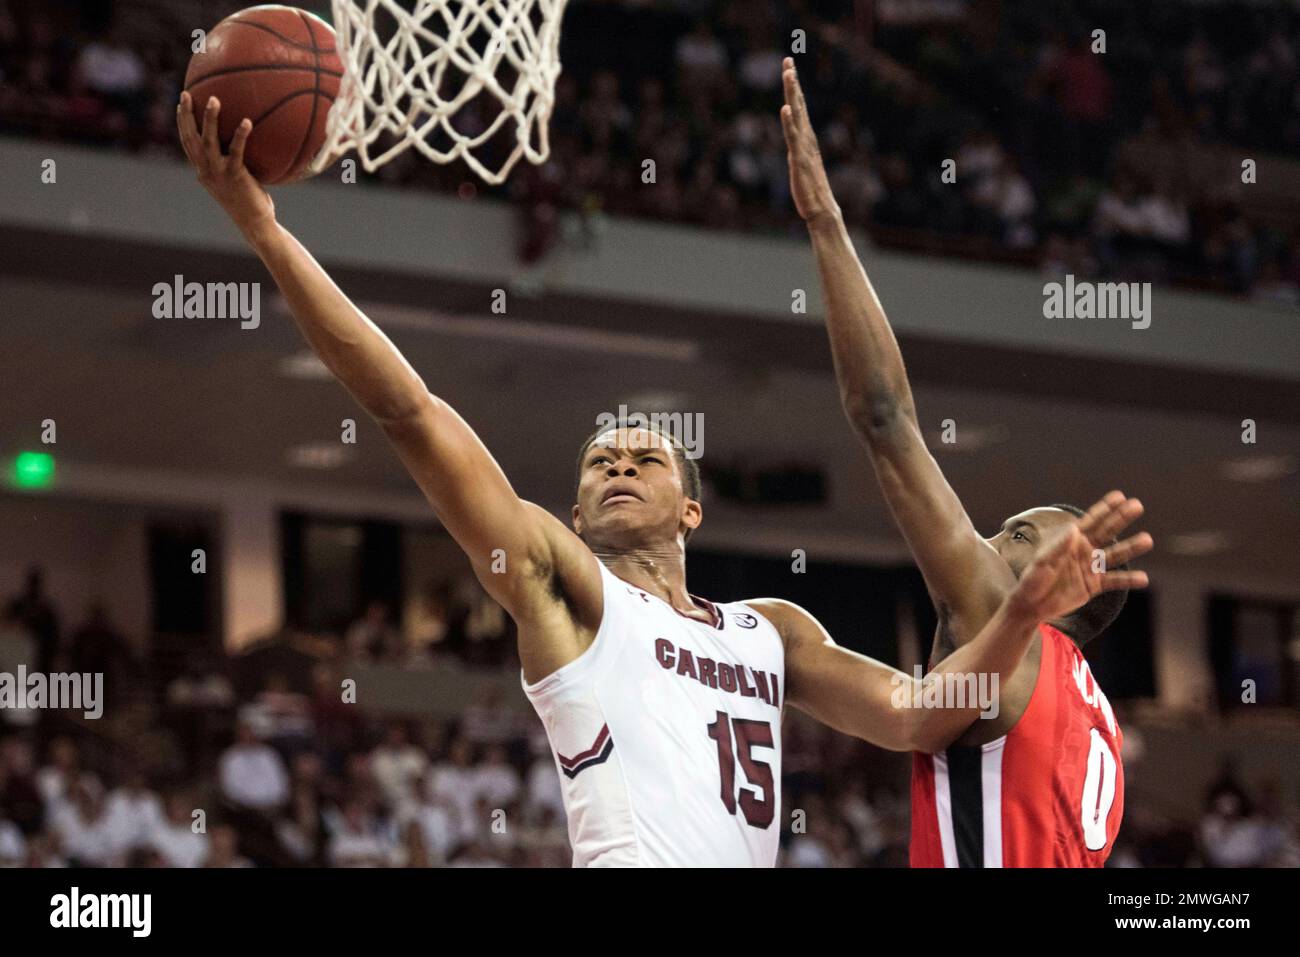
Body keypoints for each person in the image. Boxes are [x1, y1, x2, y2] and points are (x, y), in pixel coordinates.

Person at [176, 92, 1150, 867]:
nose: (619, 465)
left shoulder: (772, 631)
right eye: (600, 462)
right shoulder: (567, 587)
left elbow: (916, 718)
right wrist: (265, 231)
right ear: (572, 510)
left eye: (645, 457)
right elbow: (411, 412)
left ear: (691, 507)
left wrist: (1016, 616)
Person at [779, 58, 1154, 867]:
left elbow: (885, 419)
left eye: (1019, 537)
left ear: (1060, 597)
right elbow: (899, 707)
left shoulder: (1003, 622)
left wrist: (825, 223)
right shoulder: (1096, 721)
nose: (988, 539)